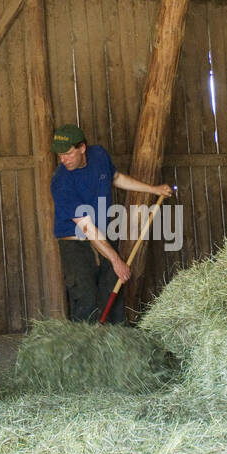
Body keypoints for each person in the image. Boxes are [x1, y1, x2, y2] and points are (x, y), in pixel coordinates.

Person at [50, 123, 172, 323]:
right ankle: (84, 349)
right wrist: (116, 260)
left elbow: (116, 178)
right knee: (86, 298)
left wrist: (153, 189)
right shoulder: (61, 182)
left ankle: (116, 346)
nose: (63, 160)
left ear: (82, 148)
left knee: (113, 295)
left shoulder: (99, 155)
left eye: (68, 154)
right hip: (76, 244)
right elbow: (87, 228)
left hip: (103, 236)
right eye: (60, 155)